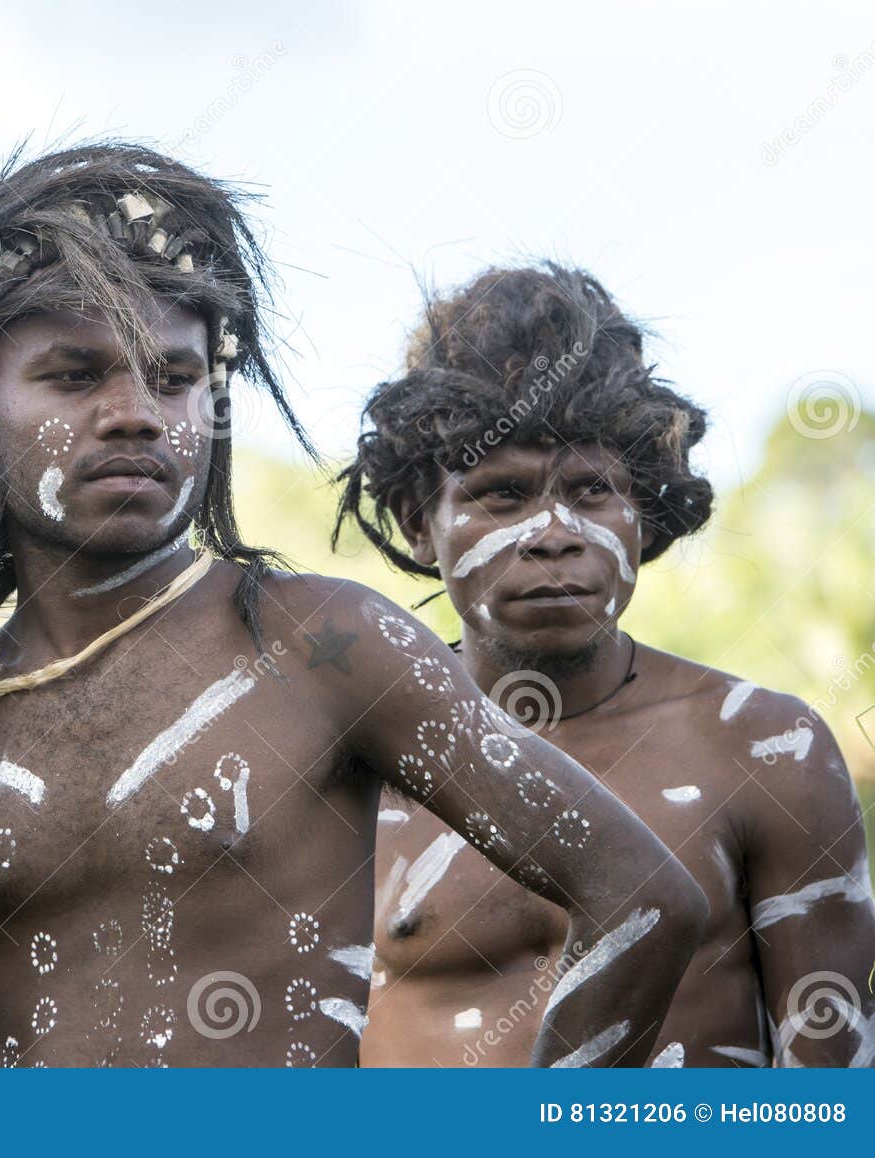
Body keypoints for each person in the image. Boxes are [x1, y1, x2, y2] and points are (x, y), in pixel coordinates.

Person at [0, 146, 707, 1068]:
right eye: (77, 375)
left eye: (173, 378)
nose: (135, 412)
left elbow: (640, 894)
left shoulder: (325, 646)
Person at [336, 264, 875, 1067]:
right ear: (422, 523)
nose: (554, 533)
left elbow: (835, 1100)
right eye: (502, 494)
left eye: (591, 491)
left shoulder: (767, 752)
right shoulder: (351, 762)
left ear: (641, 510)